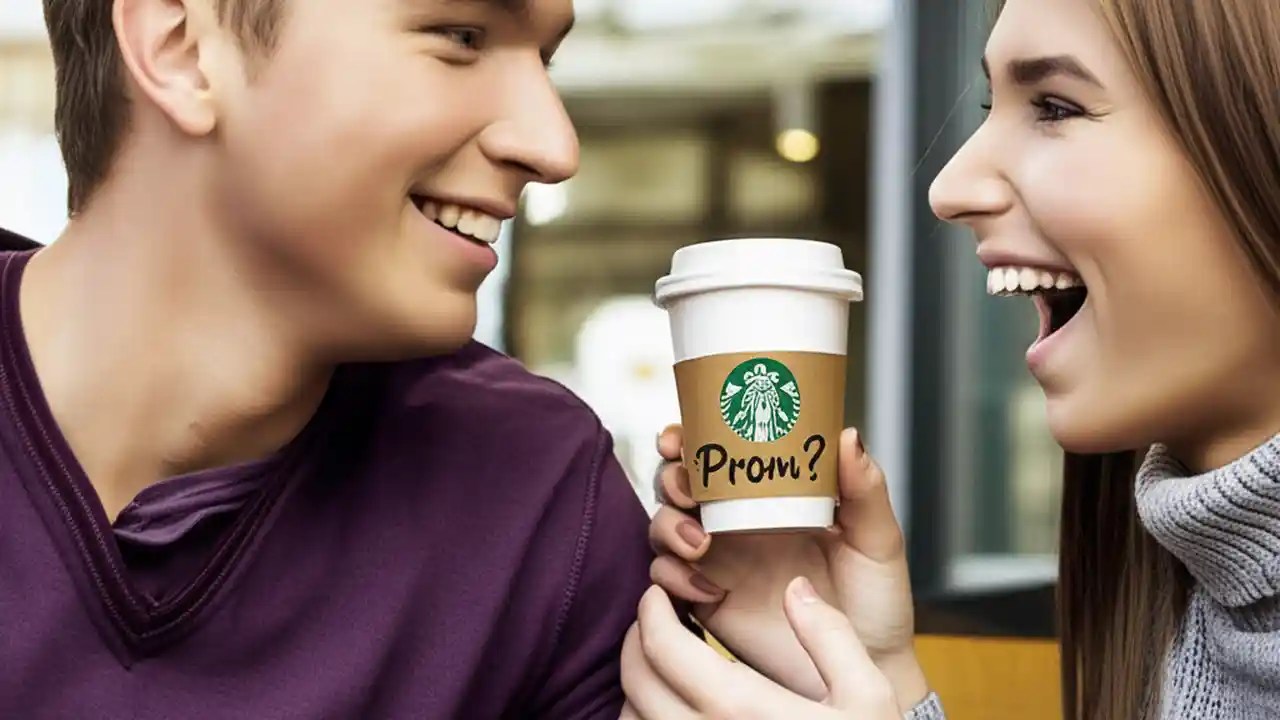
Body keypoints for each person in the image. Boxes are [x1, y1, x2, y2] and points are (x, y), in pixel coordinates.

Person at [0, 0, 654, 717]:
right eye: (461, 38)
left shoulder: (534, 501)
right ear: (181, 49)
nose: (554, 147)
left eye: (544, 61)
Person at [631, 0, 1280, 718]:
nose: (949, 189)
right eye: (990, 105)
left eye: (1056, 107)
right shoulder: (1191, 608)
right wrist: (866, 668)